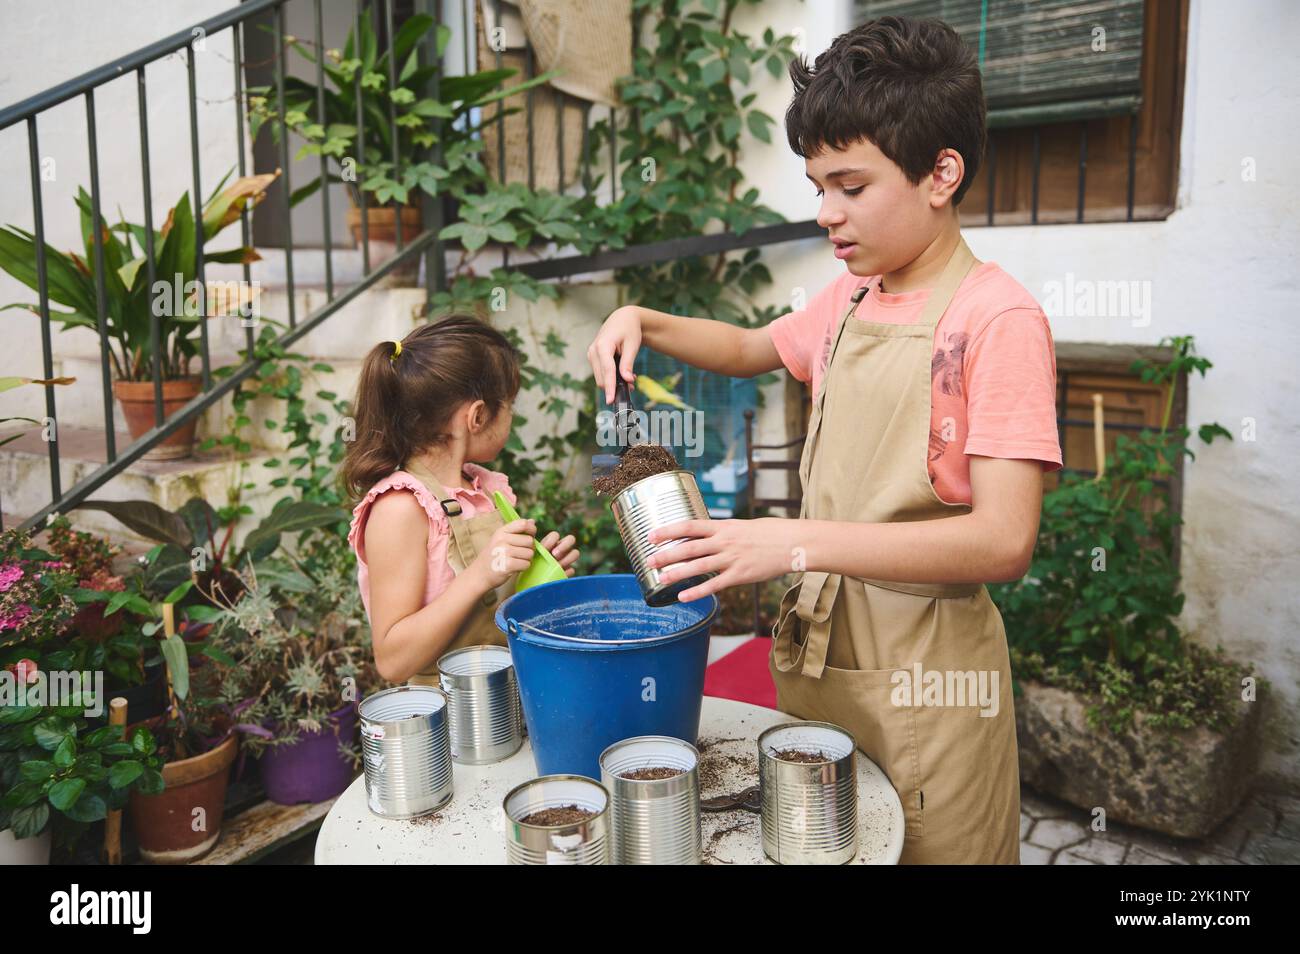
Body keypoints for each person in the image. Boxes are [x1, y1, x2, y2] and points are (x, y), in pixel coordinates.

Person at [587, 16, 1062, 863]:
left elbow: (1004, 540)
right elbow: (745, 348)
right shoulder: (849, 298)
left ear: (940, 174)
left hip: (930, 682)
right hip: (821, 661)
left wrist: (790, 543)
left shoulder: (996, 319)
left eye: (850, 186)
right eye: (817, 187)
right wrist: (641, 317)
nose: (825, 215)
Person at [345, 315, 579, 685]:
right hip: (447, 723)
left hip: (511, 697)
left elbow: (490, 614)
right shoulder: (400, 509)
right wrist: (481, 574)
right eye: (510, 404)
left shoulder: (487, 490)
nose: (512, 416)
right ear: (478, 415)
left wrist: (532, 584)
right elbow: (392, 661)